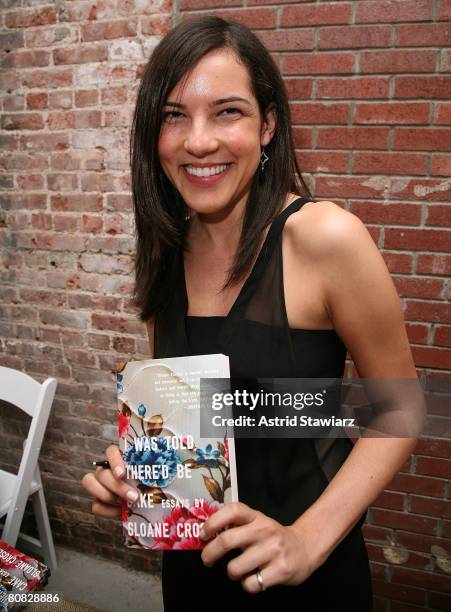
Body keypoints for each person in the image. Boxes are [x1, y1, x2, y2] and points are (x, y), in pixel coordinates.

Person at [81, 16, 423, 611]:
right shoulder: (167, 250)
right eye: (173, 115)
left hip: (307, 576)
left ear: (267, 124)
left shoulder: (324, 237)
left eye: (228, 112)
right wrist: (137, 475)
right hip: (192, 575)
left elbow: (403, 405)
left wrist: (305, 541)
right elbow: (192, 417)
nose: (199, 141)